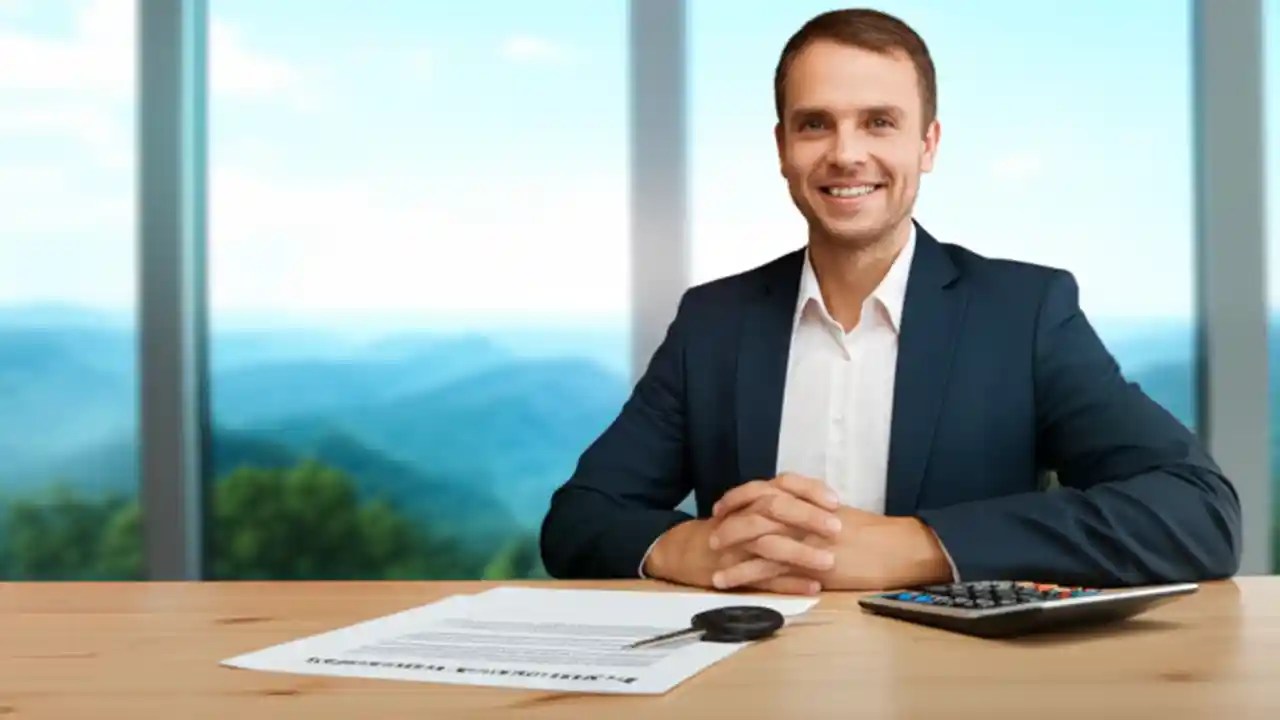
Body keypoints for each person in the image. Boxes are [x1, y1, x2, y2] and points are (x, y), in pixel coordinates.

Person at [539, 8, 1241, 594]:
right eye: (816, 124)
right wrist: (691, 547)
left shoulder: (1023, 312)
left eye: (879, 122)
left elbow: (1198, 513)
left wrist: (918, 547)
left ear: (927, 144)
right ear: (782, 147)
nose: (846, 153)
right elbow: (580, 518)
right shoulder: (713, 322)